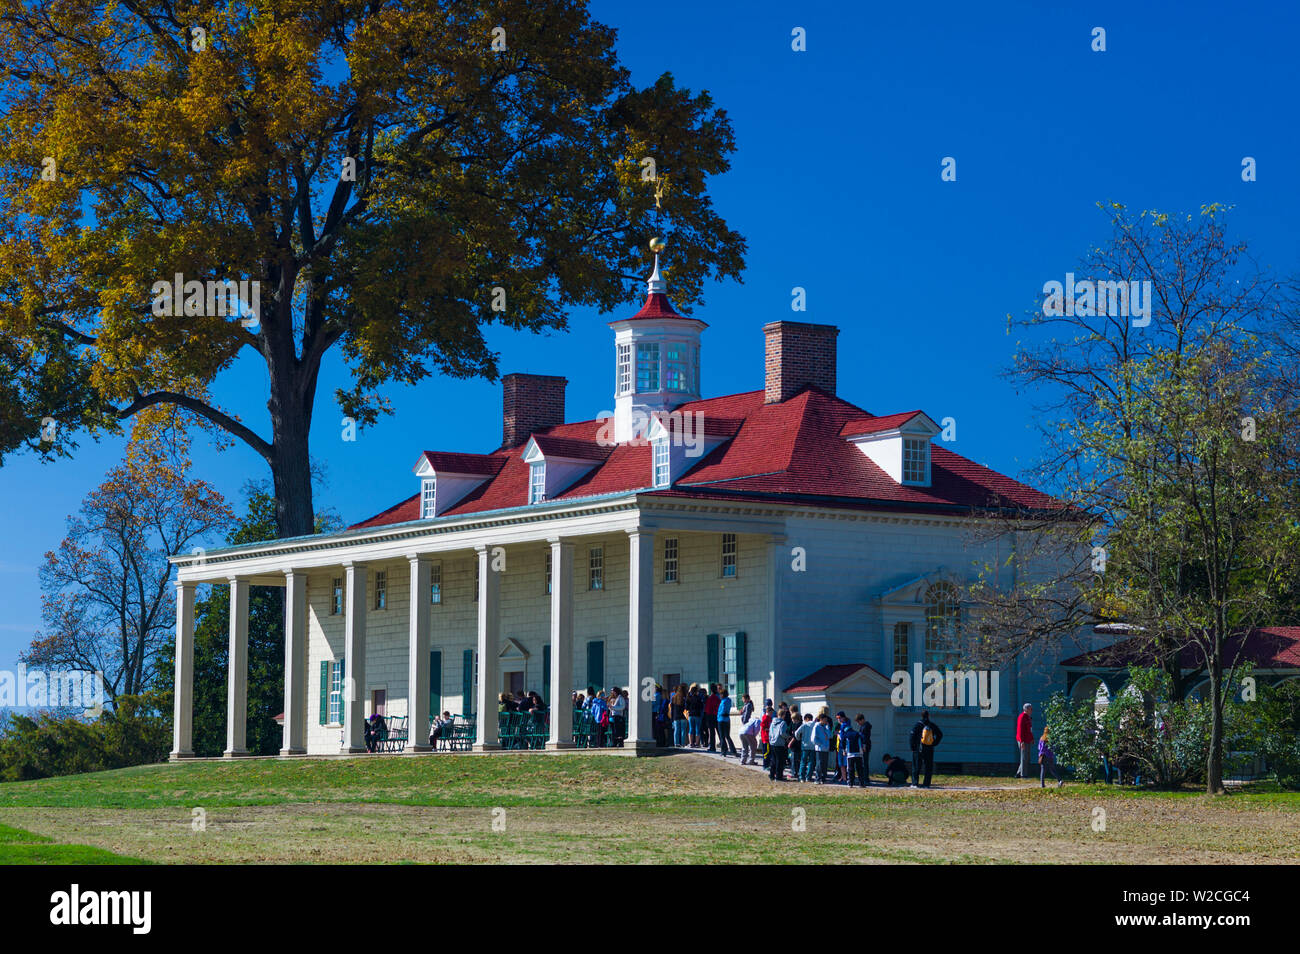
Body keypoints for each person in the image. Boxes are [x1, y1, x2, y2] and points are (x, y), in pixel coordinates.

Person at [909, 709, 942, 788]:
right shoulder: (932, 725)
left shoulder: (918, 725)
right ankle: (926, 784)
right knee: (928, 767)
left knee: (916, 766)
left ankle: (915, 783)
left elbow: (912, 736)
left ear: (921, 715)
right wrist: (934, 743)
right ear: (928, 716)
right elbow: (940, 734)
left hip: (918, 748)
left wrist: (912, 747)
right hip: (929, 749)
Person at [768, 708, 792, 780]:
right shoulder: (783, 723)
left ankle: (772, 775)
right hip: (779, 743)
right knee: (780, 761)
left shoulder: (772, 722)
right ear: (783, 715)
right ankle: (778, 776)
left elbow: (770, 732)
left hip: (772, 743)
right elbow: (782, 733)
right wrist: (788, 737)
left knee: (773, 760)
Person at [811, 714, 832, 783]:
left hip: (826, 748)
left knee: (825, 764)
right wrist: (820, 744)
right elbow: (813, 739)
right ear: (821, 719)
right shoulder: (816, 726)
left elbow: (830, 736)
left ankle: (823, 778)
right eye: (825, 720)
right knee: (819, 764)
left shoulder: (826, 727)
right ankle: (817, 778)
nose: (826, 721)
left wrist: (828, 727)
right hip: (820, 749)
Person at [716, 688, 737, 756]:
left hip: (721, 719)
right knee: (727, 736)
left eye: (720, 694)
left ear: (722, 694)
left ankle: (723, 751)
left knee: (722, 736)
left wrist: (719, 714)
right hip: (727, 719)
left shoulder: (723, 701)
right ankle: (733, 750)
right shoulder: (729, 700)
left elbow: (722, 710)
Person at [796, 714, 816, 781]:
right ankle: (808, 777)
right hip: (813, 746)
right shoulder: (815, 725)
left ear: (806, 719)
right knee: (811, 762)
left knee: (803, 762)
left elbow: (797, 733)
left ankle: (801, 777)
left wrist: (799, 738)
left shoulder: (804, 725)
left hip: (805, 745)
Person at [1016, 703, 1034, 779]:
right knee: (1024, 757)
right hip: (1023, 740)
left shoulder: (1028, 717)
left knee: (1027, 757)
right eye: (1030, 709)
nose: (1032, 710)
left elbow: (1030, 730)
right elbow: (1020, 730)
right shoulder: (1022, 717)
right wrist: (1022, 741)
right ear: (1026, 709)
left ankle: (1018, 773)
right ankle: (1023, 775)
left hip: (1028, 740)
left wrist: (1032, 738)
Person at [855, 714, 873, 785]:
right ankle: (864, 778)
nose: (858, 723)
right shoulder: (863, 726)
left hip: (865, 746)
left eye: (858, 721)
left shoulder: (865, 727)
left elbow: (865, 738)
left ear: (862, 719)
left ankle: (865, 778)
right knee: (863, 763)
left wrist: (864, 746)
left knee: (864, 763)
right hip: (864, 746)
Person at [759, 703, 774, 768]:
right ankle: (765, 765)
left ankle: (768, 764)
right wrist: (769, 729)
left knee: (769, 752)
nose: (771, 714)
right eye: (771, 713)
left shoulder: (770, 718)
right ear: (768, 712)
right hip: (765, 738)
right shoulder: (765, 718)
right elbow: (763, 726)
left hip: (769, 738)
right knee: (766, 752)